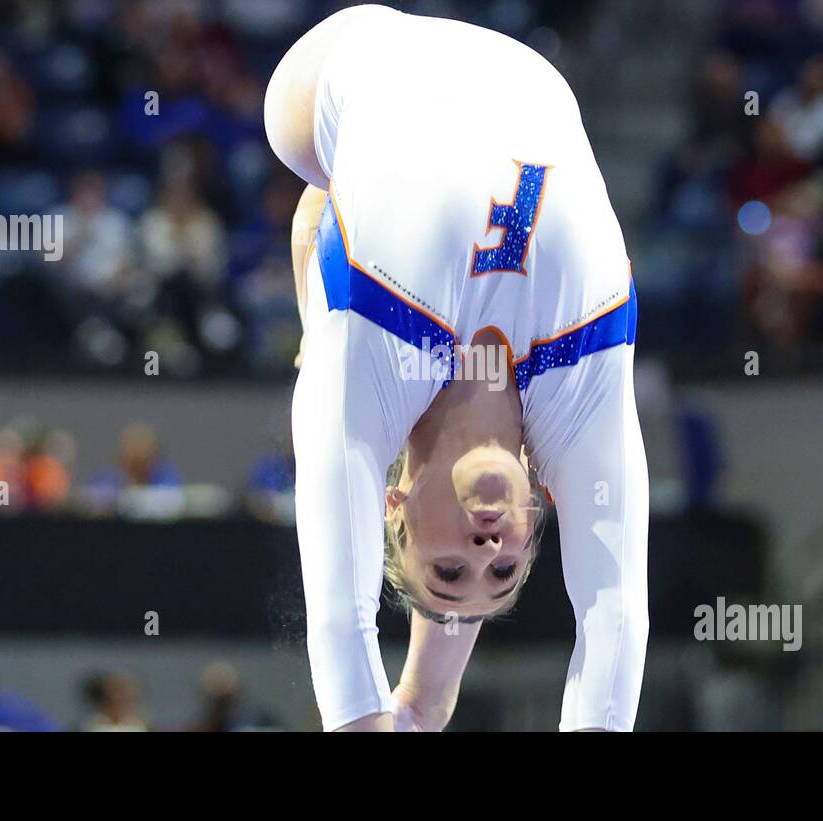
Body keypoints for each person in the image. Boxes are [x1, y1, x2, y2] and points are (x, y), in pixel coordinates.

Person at [265, 5, 648, 732]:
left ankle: (322, 249)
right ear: (540, 511)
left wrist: (392, 712)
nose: (486, 549)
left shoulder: (378, 364)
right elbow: (615, 624)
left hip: (350, 67)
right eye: (505, 570)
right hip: (523, 70)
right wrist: (424, 704)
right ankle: (324, 238)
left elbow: (341, 626)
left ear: (393, 504)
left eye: (450, 569)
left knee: (332, 341)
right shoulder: (583, 383)